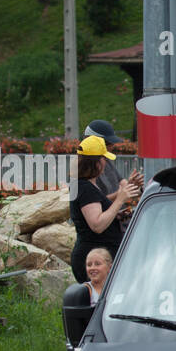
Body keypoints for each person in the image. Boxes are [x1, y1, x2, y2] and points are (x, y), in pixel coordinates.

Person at [69, 135, 138, 283]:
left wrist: (118, 214)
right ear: (96, 163)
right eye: (103, 159)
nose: (106, 163)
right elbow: (97, 225)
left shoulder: (88, 185)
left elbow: (100, 214)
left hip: (101, 256)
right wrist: (120, 200)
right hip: (94, 260)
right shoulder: (85, 187)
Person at [84, 119, 142, 214]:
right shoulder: (85, 170)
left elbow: (122, 182)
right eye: (108, 143)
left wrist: (132, 185)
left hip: (116, 216)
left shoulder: (107, 160)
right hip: (105, 218)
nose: (111, 147)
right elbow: (95, 202)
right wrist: (120, 195)